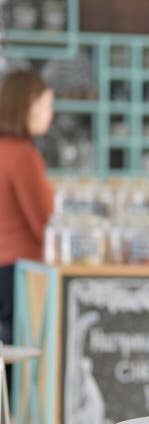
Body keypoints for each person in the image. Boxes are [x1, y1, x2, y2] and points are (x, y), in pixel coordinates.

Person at [0, 71, 55, 345]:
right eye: (46, 106)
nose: (50, 114)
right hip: (17, 271)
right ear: (29, 104)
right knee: (16, 356)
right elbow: (43, 223)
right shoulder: (23, 155)